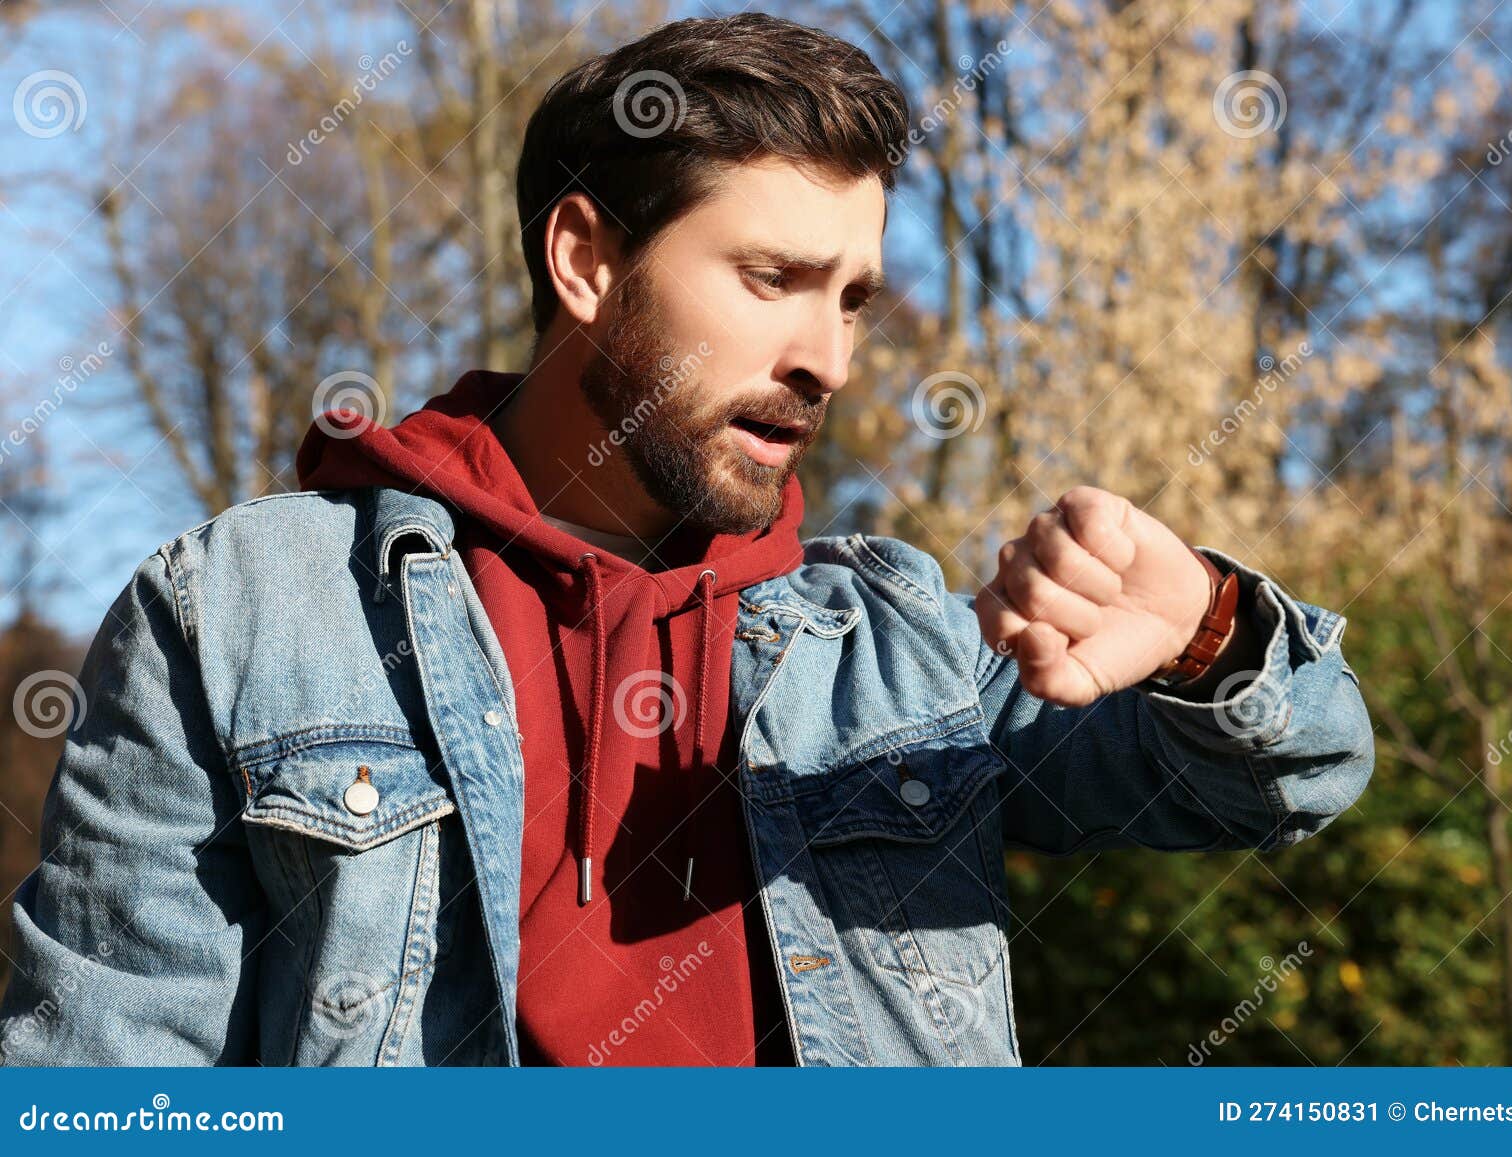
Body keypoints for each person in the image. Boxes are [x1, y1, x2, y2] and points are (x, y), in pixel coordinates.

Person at [0, 12, 1372, 1067]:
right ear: (586, 261)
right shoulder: (244, 610)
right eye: (770, 278)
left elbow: (1289, 780)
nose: (823, 356)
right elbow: (110, 1085)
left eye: (852, 299)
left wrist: (1205, 626)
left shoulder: (904, 658)